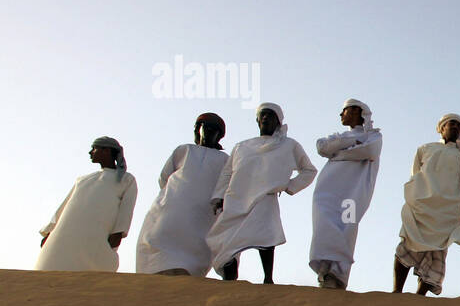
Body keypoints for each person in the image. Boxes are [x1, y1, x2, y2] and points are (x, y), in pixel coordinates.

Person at [208, 103, 317, 283]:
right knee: (225, 240)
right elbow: (227, 173)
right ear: (257, 120)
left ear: (278, 122)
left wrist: (289, 186)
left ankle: (268, 278)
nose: (266, 118)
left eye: (270, 115)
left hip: (265, 197)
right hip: (236, 197)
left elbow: (309, 170)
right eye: (263, 115)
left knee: (266, 237)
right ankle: (229, 276)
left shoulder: (289, 145)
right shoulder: (241, 146)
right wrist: (219, 197)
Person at [135, 113, 228, 276]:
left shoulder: (225, 159)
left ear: (219, 136)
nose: (208, 133)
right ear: (197, 130)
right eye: (205, 128)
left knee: (191, 260)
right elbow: (165, 178)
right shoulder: (184, 150)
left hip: (202, 217)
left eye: (214, 130)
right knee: (158, 244)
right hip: (169, 211)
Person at [394, 113, 460, 296]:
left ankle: (420, 296)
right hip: (421, 206)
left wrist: (452, 202)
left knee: (437, 253)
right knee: (407, 243)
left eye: (457, 125)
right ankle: (396, 290)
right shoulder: (426, 148)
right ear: (442, 128)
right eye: (450, 123)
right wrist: (419, 195)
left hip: (447, 211)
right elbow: (415, 174)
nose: (454, 127)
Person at [309, 100, 382, 289]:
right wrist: (351, 142)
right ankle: (325, 272)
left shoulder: (373, 136)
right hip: (327, 190)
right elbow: (322, 147)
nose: (341, 114)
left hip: (353, 192)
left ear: (358, 111)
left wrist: (338, 153)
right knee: (323, 225)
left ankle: (338, 275)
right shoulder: (339, 136)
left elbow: (368, 151)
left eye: (345, 110)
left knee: (347, 225)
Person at [36, 136, 138, 272]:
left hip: (96, 239)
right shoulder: (82, 180)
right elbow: (63, 207)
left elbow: (126, 211)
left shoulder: (126, 179)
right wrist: (49, 232)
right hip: (63, 236)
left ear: (106, 150)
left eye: (94, 148)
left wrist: (117, 236)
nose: (90, 152)